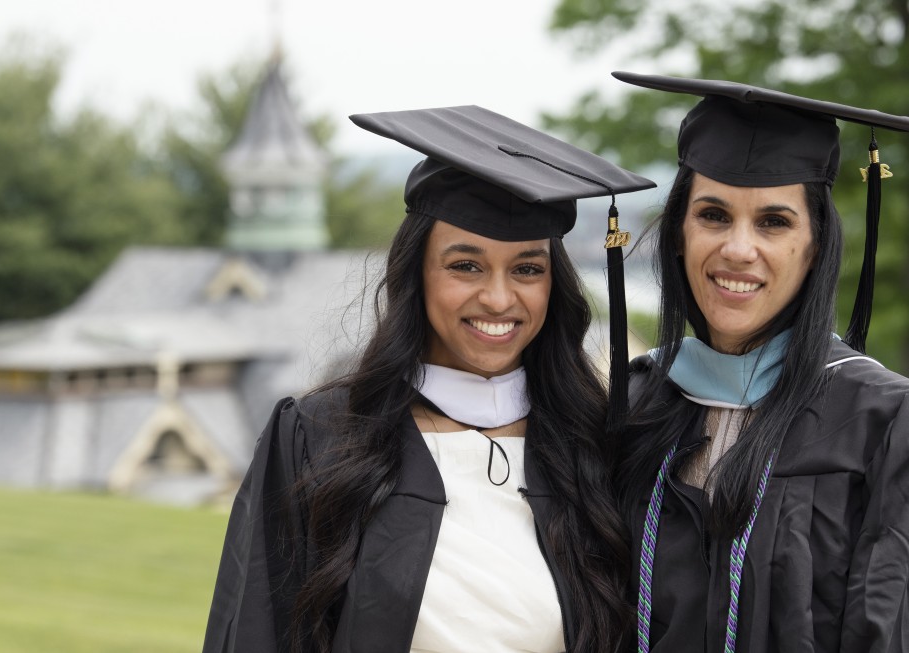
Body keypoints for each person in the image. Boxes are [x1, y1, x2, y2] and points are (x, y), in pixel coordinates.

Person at [201, 105, 656, 653]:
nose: (498, 298)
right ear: (416, 273)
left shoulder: (592, 447)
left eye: (527, 268)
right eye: (465, 265)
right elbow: (257, 632)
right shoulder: (320, 441)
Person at [607, 72, 909, 652]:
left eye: (773, 222)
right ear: (679, 234)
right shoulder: (636, 403)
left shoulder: (888, 421)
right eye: (713, 215)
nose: (739, 249)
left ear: (815, 246)